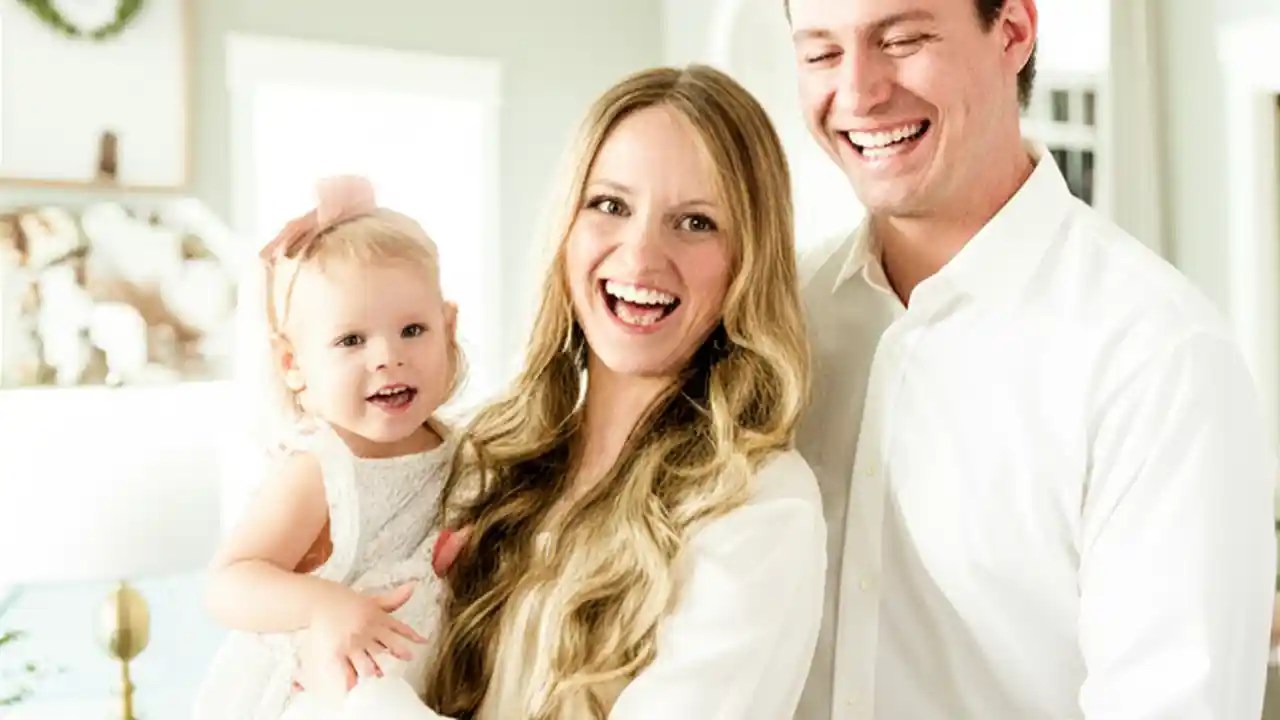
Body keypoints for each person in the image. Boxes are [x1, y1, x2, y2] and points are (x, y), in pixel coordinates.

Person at [786, 0, 1278, 717]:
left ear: (1013, 30)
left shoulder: (1159, 359)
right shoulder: (775, 322)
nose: (858, 92)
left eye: (903, 39)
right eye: (822, 55)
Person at [291, 64, 828, 719]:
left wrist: (356, 696)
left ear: (748, 260)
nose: (639, 257)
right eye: (610, 205)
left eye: (695, 223)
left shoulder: (760, 506)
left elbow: (351, 680)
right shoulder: (485, 457)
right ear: (567, 226)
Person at [193, 176, 465, 719]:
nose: (388, 356)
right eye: (351, 340)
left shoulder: (460, 449)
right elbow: (228, 582)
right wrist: (326, 604)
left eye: (413, 330)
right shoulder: (321, 469)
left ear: (448, 327)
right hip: (315, 696)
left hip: (416, 683)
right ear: (294, 365)